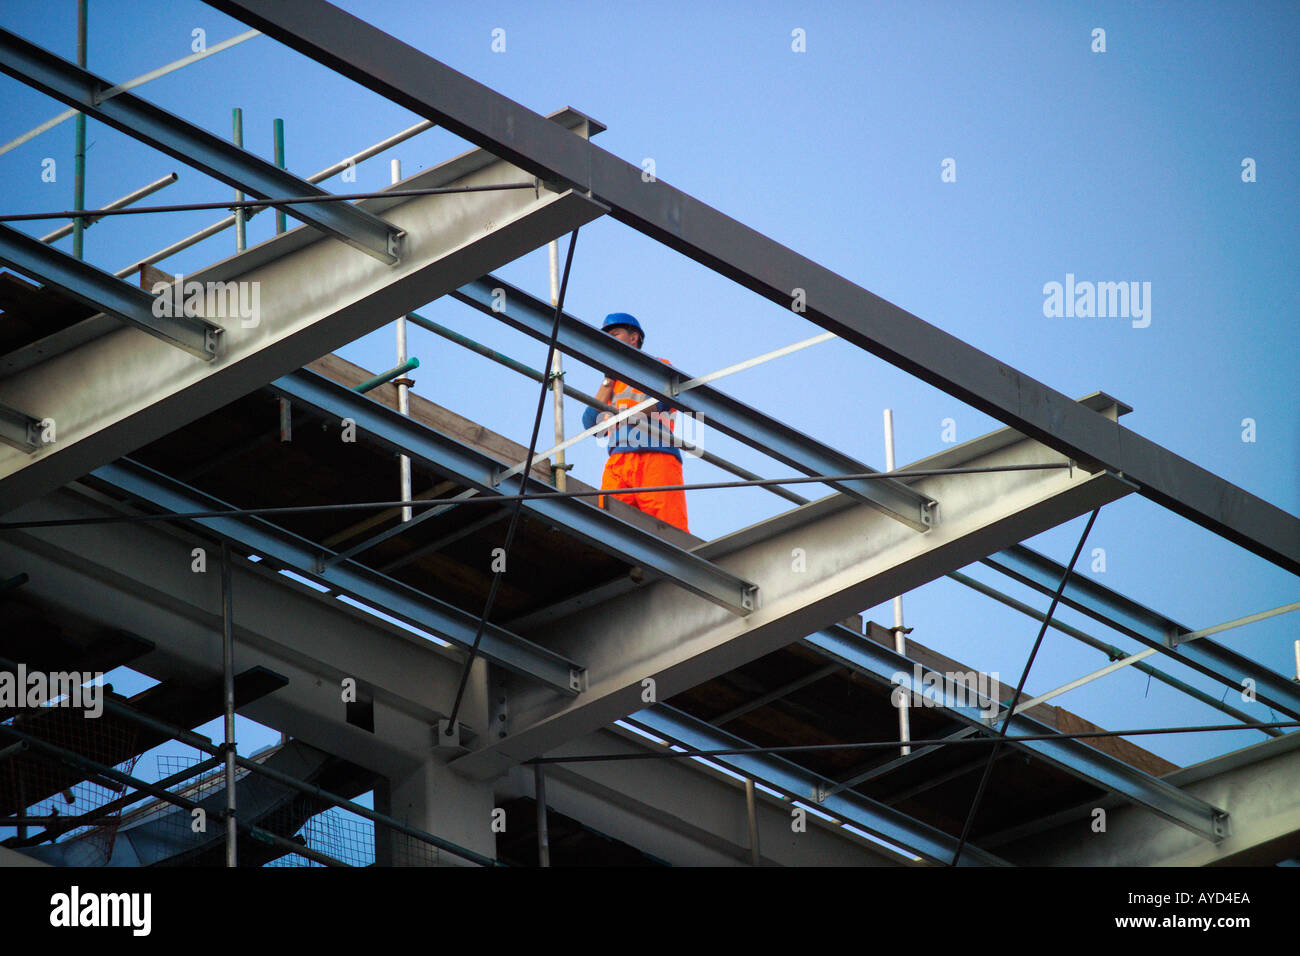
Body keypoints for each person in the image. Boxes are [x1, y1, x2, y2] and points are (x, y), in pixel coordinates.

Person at [582, 313, 690, 533]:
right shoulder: (611, 384)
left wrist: (620, 415)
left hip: (656, 457)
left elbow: (663, 400)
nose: (609, 340)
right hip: (619, 461)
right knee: (609, 526)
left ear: (634, 338)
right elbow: (589, 422)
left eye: (615, 334)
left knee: (670, 532)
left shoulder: (657, 366)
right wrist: (608, 378)